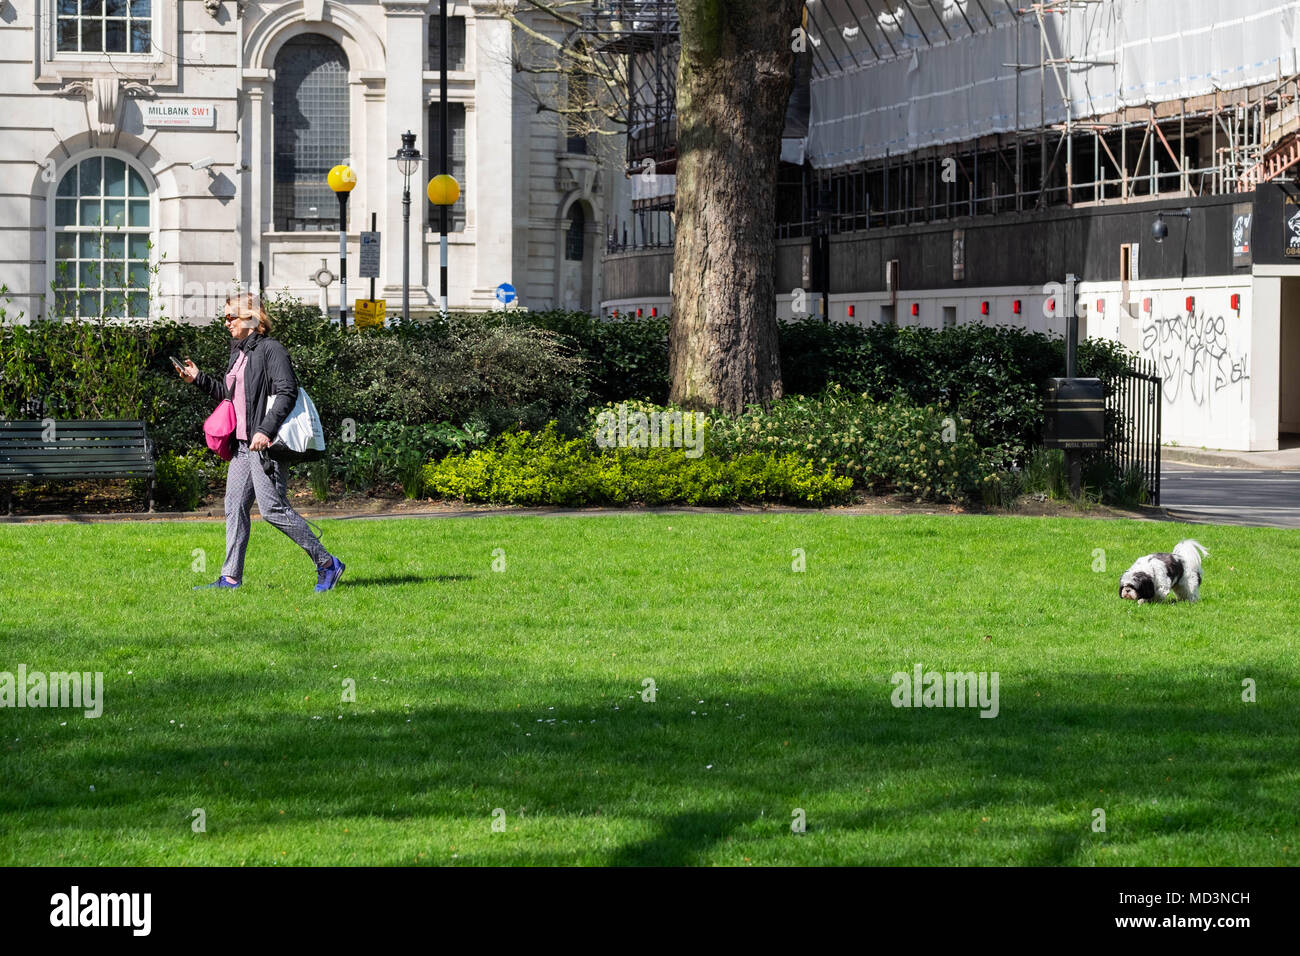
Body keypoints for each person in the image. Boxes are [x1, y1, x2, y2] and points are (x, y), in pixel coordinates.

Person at [176, 292, 345, 592]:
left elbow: (287, 392)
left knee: (272, 510)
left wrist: (265, 430)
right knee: (234, 507)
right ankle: (230, 578)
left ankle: (327, 563)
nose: (226, 322)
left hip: (264, 446)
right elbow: (231, 399)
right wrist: (198, 379)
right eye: (225, 317)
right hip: (242, 447)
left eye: (231, 316)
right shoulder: (239, 353)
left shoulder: (272, 350)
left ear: (252, 318)